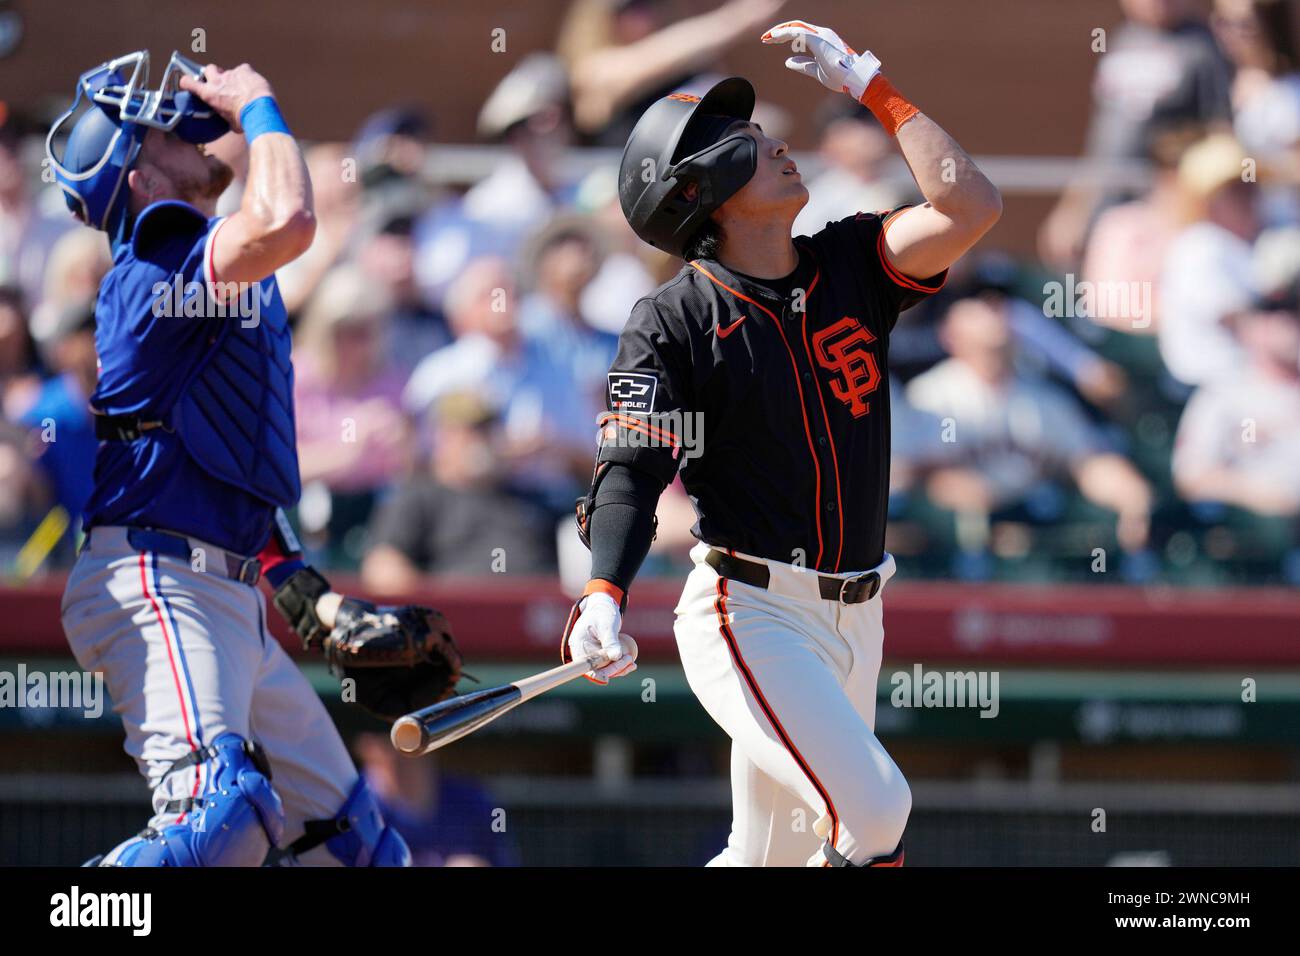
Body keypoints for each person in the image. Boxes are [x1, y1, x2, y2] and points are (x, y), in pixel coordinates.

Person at [568, 21, 1002, 866]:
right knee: (875, 814)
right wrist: (601, 593)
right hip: (750, 610)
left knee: (763, 856)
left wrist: (875, 87)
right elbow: (630, 471)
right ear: (701, 189)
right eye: (749, 145)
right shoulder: (674, 320)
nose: (777, 146)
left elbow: (970, 206)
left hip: (858, 610)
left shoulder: (849, 262)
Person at [50, 51, 431, 867]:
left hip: (222, 587)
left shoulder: (207, 268)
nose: (184, 127)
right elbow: (289, 220)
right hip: (157, 576)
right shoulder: (158, 260)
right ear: (141, 179)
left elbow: (228, 458)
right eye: (158, 131)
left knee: (354, 847)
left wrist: (312, 602)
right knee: (216, 821)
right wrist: (258, 105)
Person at [906, 294, 1154, 556]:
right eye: (978, 308)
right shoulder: (930, 396)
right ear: (950, 334)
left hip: (1035, 533)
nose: (991, 314)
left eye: (994, 306)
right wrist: (960, 492)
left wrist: (1130, 496)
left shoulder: (1045, 399)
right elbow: (907, 477)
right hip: (953, 541)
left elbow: (1089, 463)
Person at [1039, 0, 1233, 268]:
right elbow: (1100, 140)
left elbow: (1218, 138)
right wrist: (1072, 209)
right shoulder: (1121, 40)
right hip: (1105, 208)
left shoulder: (1204, 48)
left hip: (1160, 213)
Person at [362, 390, 560, 595]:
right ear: (442, 437)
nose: (481, 440)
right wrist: (437, 607)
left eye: (488, 429)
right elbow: (383, 567)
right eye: (471, 430)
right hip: (461, 616)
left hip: (537, 615)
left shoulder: (526, 497)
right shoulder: (418, 496)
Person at [556, 0, 788, 145]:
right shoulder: (591, 69)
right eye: (631, 6)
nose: (644, 14)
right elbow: (645, 60)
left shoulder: (679, 72)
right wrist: (735, 20)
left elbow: (771, 121)